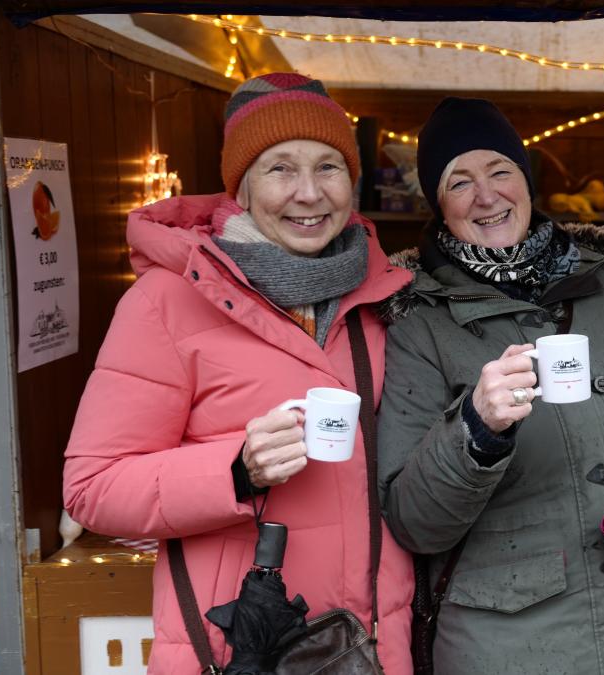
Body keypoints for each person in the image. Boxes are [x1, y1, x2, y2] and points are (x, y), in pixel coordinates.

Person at [62, 73, 414, 674]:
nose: (309, 193)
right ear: (242, 186)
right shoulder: (165, 302)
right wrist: (234, 470)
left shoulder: (387, 295)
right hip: (236, 648)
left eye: (329, 167)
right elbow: (91, 487)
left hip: (372, 643)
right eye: (280, 168)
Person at [377, 97, 604, 674]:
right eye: (459, 181)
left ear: (526, 181)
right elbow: (413, 521)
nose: (486, 195)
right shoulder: (419, 323)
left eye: (500, 171)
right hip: (515, 652)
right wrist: (475, 429)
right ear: (439, 205)